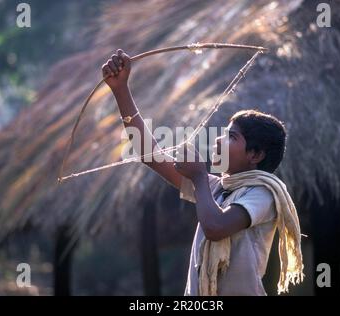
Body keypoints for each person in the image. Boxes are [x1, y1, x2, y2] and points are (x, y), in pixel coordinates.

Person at [101, 49, 303, 296]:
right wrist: (120, 89)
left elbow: (216, 227)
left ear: (255, 155)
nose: (218, 140)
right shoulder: (218, 188)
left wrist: (198, 177)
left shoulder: (263, 194)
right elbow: (148, 154)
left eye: (231, 137)